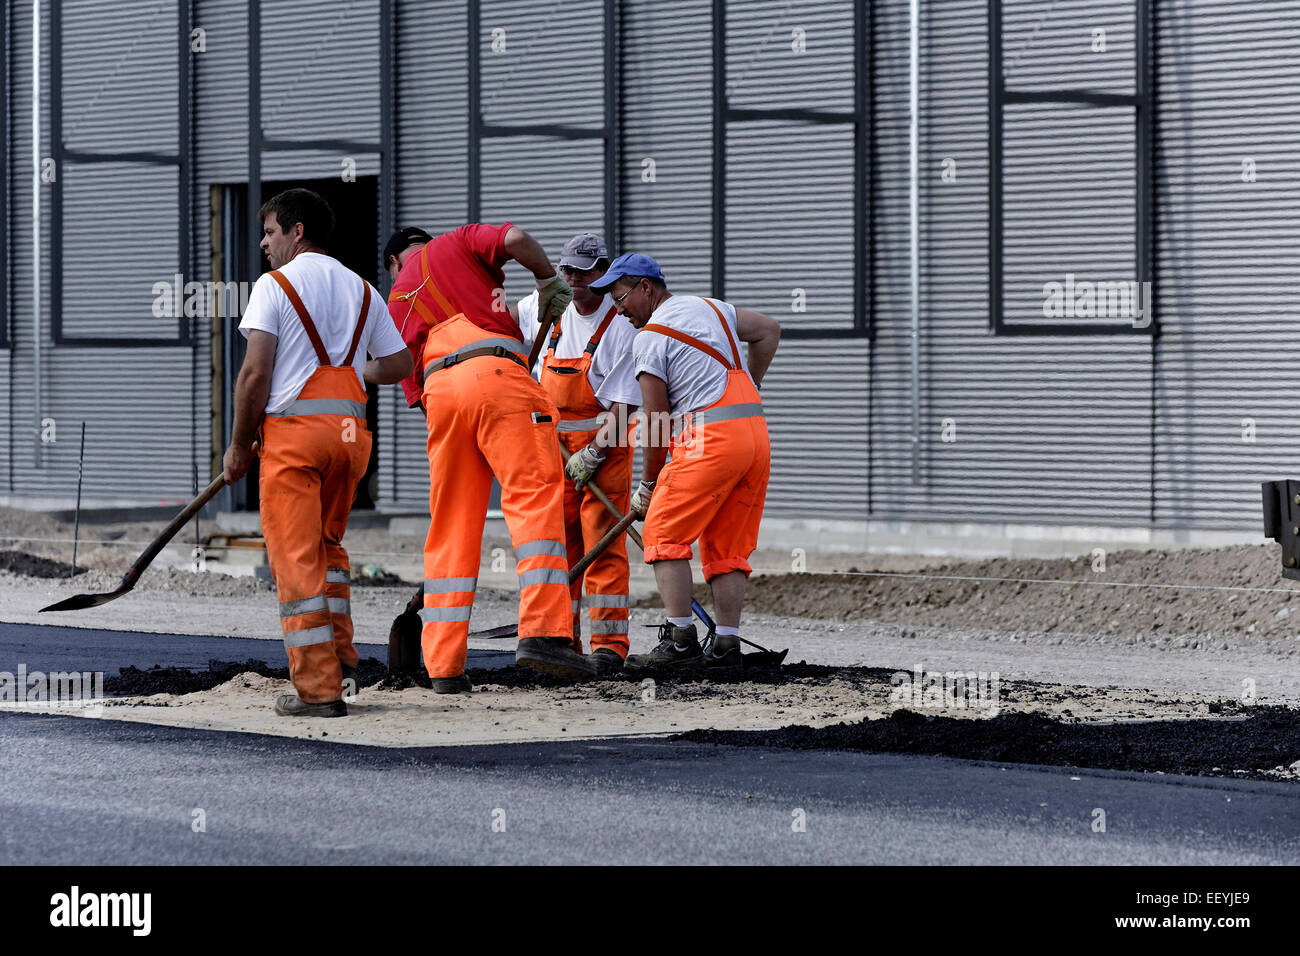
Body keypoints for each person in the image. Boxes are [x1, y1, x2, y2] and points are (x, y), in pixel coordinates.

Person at [223, 188, 413, 717]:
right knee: (328, 550)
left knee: (297, 560)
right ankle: (345, 664)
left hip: (296, 439)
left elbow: (255, 374)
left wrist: (239, 446)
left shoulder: (274, 286)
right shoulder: (363, 289)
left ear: (297, 231)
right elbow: (398, 364)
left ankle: (318, 690)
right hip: (350, 439)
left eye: (270, 231)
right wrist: (352, 374)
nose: (263, 243)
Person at [383, 223, 596, 688]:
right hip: (498, 372)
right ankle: (544, 634)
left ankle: (443, 666)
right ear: (423, 244)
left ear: (394, 264)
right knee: (533, 500)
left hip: (441, 393)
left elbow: (417, 394)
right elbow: (517, 239)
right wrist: (546, 280)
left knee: (451, 523)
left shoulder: (394, 305)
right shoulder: (455, 242)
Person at [590, 253, 781, 669]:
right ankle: (727, 645)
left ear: (645, 287)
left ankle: (680, 642)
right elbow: (768, 330)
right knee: (728, 546)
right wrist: (752, 382)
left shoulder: (650, 337)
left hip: (708, 442)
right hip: (754, 437)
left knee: (663, 535)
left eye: (620, 299)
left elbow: (656, 422)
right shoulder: (711, 307)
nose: (618, 312)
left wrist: (647, 486)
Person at [514, 234, 641, 676]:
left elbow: (625, 408)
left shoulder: (620, 325)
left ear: (603, 273)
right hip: (550, 452)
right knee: (557, 547)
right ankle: (558, 639)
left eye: (584, 272)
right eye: (567, 271)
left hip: (605, 449)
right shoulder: (540, 309)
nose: (573, 280)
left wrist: (591, 454)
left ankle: (609, 645)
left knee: (603, 545)